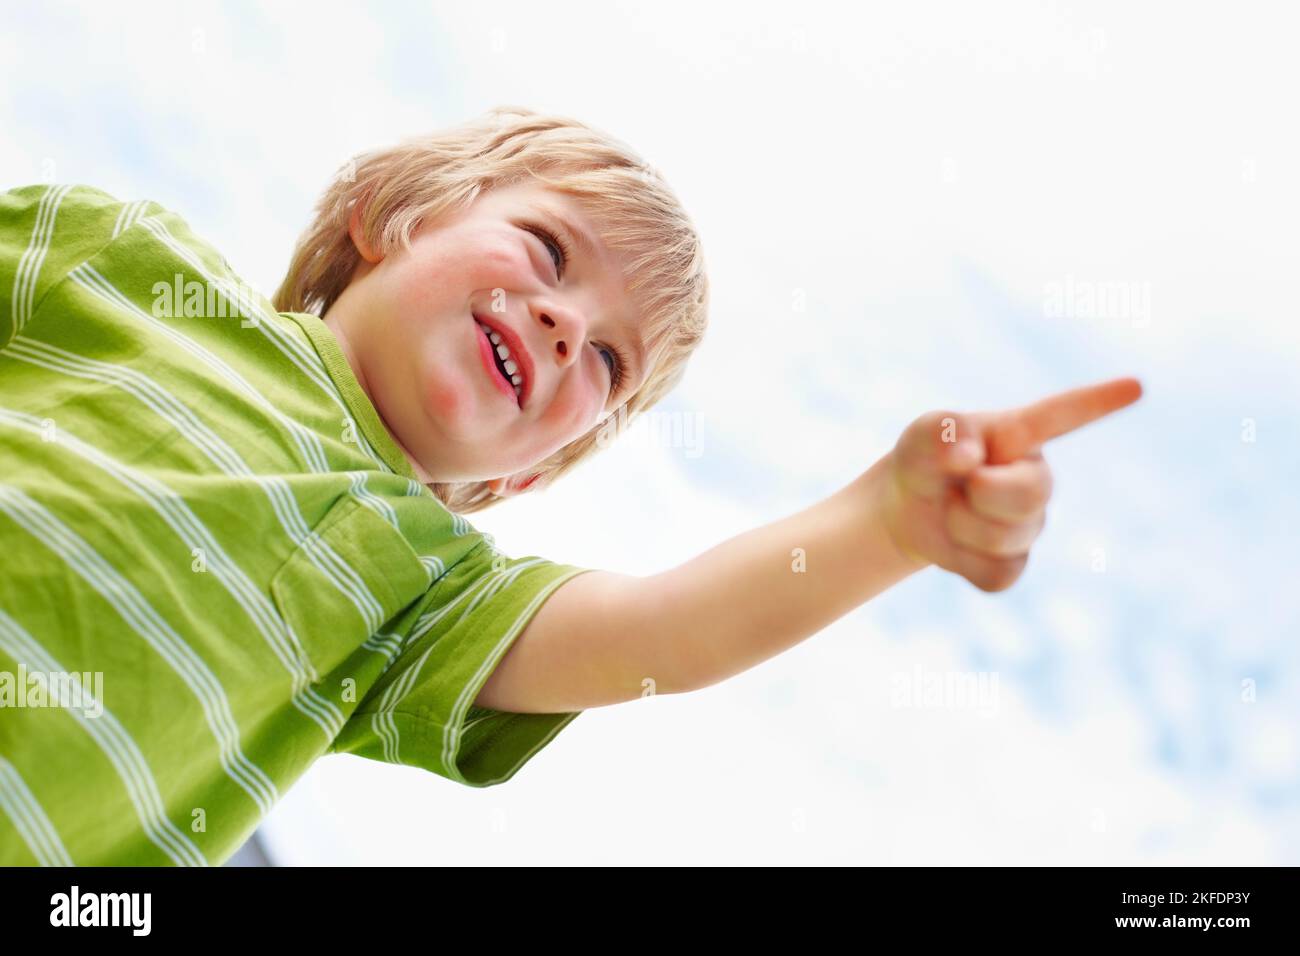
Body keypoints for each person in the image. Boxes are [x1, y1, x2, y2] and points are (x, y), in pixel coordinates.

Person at [0, 106, 1141, 865]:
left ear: (530, 467)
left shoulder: (422, 596)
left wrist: (885, 519)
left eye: (606, 361)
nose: (563, 322)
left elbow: (660, 631)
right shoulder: (126, 264)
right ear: (394, 214)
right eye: (549, 252)